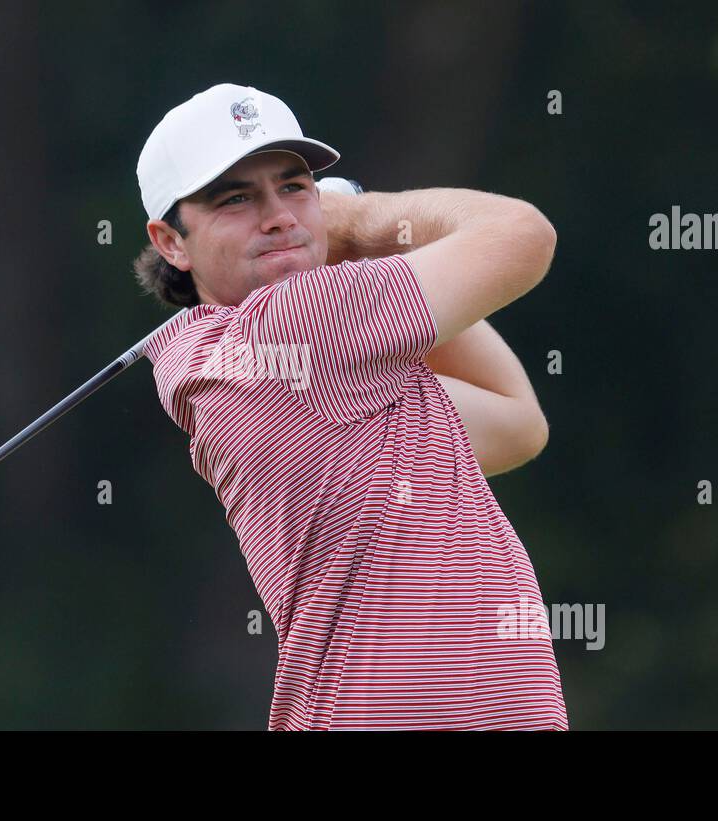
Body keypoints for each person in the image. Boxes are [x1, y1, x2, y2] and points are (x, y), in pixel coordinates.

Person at [134, 83, 566, 730]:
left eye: (295, 187)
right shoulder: (300, 324)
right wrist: (358, 220)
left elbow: (516, 423)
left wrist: (349, 249)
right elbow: (522, 234)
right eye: (236, 198)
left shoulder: (227, 359)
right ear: (171, 241)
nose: (279, 215)